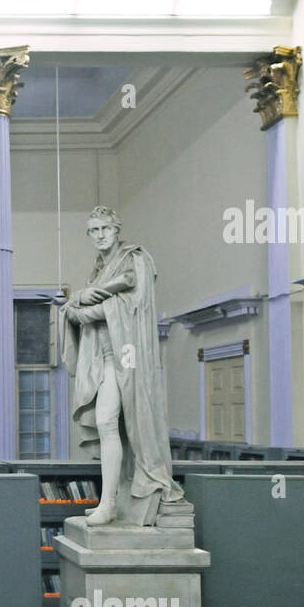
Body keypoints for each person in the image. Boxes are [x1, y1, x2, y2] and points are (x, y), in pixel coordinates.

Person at [61, 206, 184, 526]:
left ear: (117, 229)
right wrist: (81, 304)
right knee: (106, 425)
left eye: (105, 228)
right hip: (102, 356)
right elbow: (110, 297)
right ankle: (110, 501)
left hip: (125, 357)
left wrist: (82, 305)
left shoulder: (135, 258)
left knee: (111, 422)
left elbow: (130, 303)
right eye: (94, 230)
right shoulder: (100, 268)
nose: (100, 235)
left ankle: (109, 502)